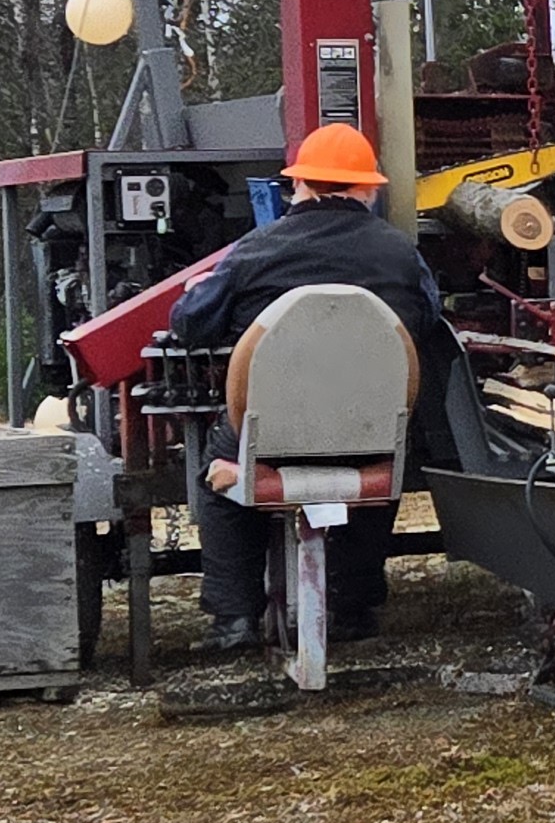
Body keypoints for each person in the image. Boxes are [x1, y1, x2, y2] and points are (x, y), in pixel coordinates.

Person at [168, 122, 461, 650]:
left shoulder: (257, 249)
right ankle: (352, 609)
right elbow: (426, 319)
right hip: (367, 436)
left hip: (267, 441)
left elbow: (190, 324)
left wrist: (197, 294)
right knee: (381, 454)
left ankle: (233, 619)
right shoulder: (400, 254)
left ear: (299, 186)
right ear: (368, 190)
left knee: (216, 472)